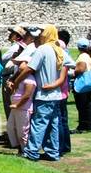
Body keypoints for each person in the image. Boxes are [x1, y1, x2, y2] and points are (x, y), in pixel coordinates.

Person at [17, 24, 69, 161]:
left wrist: (16, 81)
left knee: (38, 123)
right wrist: (56, 82)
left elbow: (29, 68)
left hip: (44, 93)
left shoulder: (43, 49)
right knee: (53, 124)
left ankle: (32, 151)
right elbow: (67, 66)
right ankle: (53, 151)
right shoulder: (60, 50)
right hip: (56, 94)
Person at [5, 28, 38, 151]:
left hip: (23, 106)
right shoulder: (20, 77)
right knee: (11, 127)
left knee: (23, 129)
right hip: (17, 104)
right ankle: (19, 147)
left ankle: (25, 150)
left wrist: (17, 104)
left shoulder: (29, 80)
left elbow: (27, 95)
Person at [72, 38, 91, 131]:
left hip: (82, 82)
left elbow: (81, 69)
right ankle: (89, 125)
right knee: (87, 104)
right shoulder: (88, 55)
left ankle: (82, 125)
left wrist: (74, 71)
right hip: (88, 82)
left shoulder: (82, 56)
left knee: (81, 105)